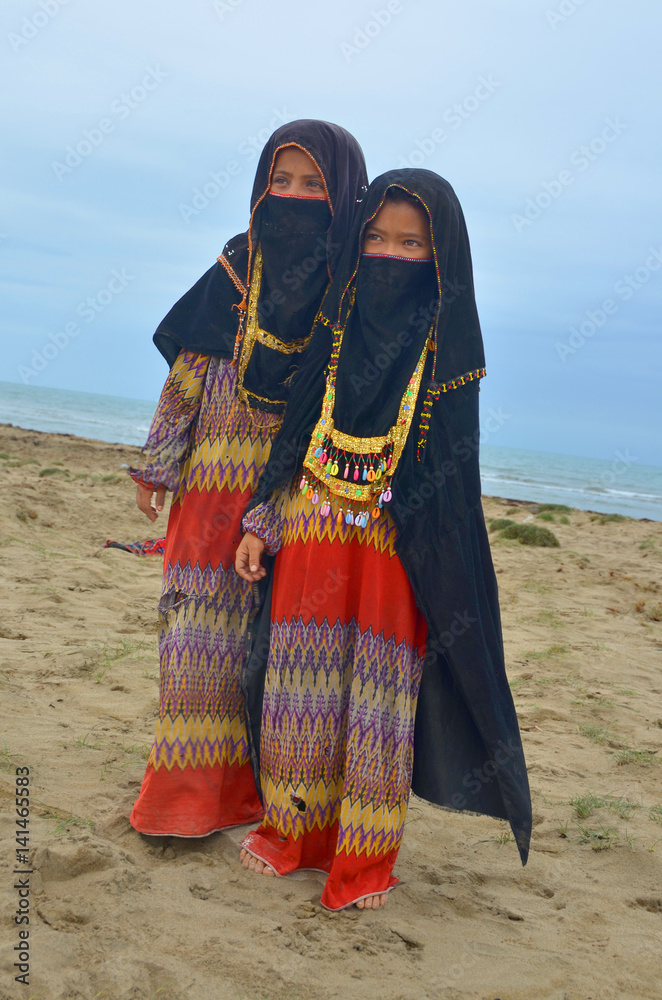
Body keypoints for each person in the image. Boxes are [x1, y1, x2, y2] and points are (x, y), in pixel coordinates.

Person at [234, 169, 532, 911]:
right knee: (297, 689)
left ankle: (362, 861)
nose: (389, 254)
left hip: (394, 547)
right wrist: (262, 522)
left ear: (442, 257)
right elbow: (298, 429)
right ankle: (289, 833)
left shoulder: (450, 355)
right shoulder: (336, 329)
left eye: (411, 242)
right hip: (311, 526)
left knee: (377, 704)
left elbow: (453, 487)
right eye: (375, 237)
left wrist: (435, 566)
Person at [128, 120, 368, 838]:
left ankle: (281, 801)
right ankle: (188, 801)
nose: (291, 196)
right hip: (212, 485)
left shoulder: (355, 287)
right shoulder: (237, 265)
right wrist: (160, 461)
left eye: (313, 184)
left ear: (346, 192)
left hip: (306, 492)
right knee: (197, 641)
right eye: (279, 181)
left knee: (290, 654)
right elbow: (188, 374)